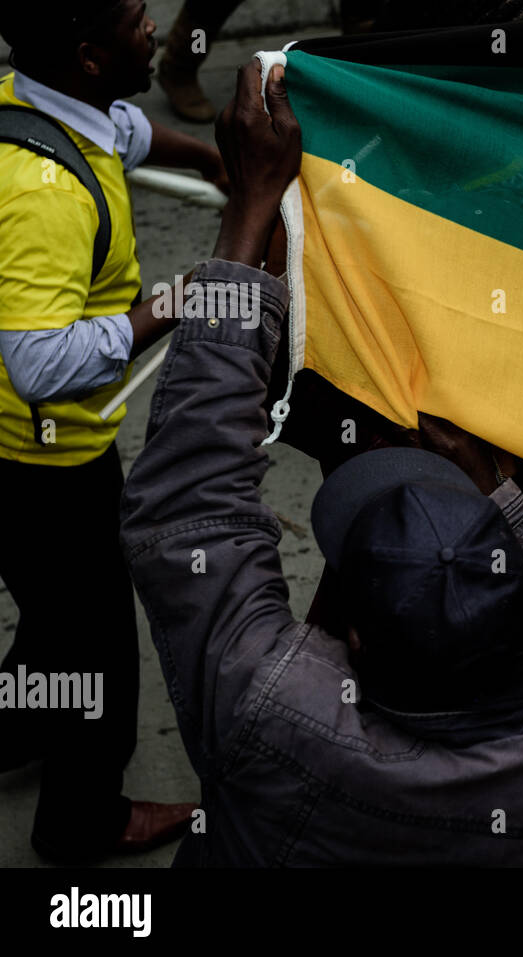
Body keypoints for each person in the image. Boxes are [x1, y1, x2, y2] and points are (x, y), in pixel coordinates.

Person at [118, 59, 523, 866]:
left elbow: (186, 504)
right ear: (522, 618)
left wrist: (246, 216)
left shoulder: (266, 707)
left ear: (350, 636)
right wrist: (509, 505)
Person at [0, 0, 228, 862]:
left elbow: (122, 132)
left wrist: (210, 161)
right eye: (139, 19)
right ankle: (80, 817)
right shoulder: (45, 196)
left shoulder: (38, 100)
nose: (158, 23)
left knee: (52, 618)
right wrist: (175, 297)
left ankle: (13, 726)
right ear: (91, 55)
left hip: (35, 453)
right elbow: (44, 365)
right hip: (36, 463)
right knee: (95, 644)